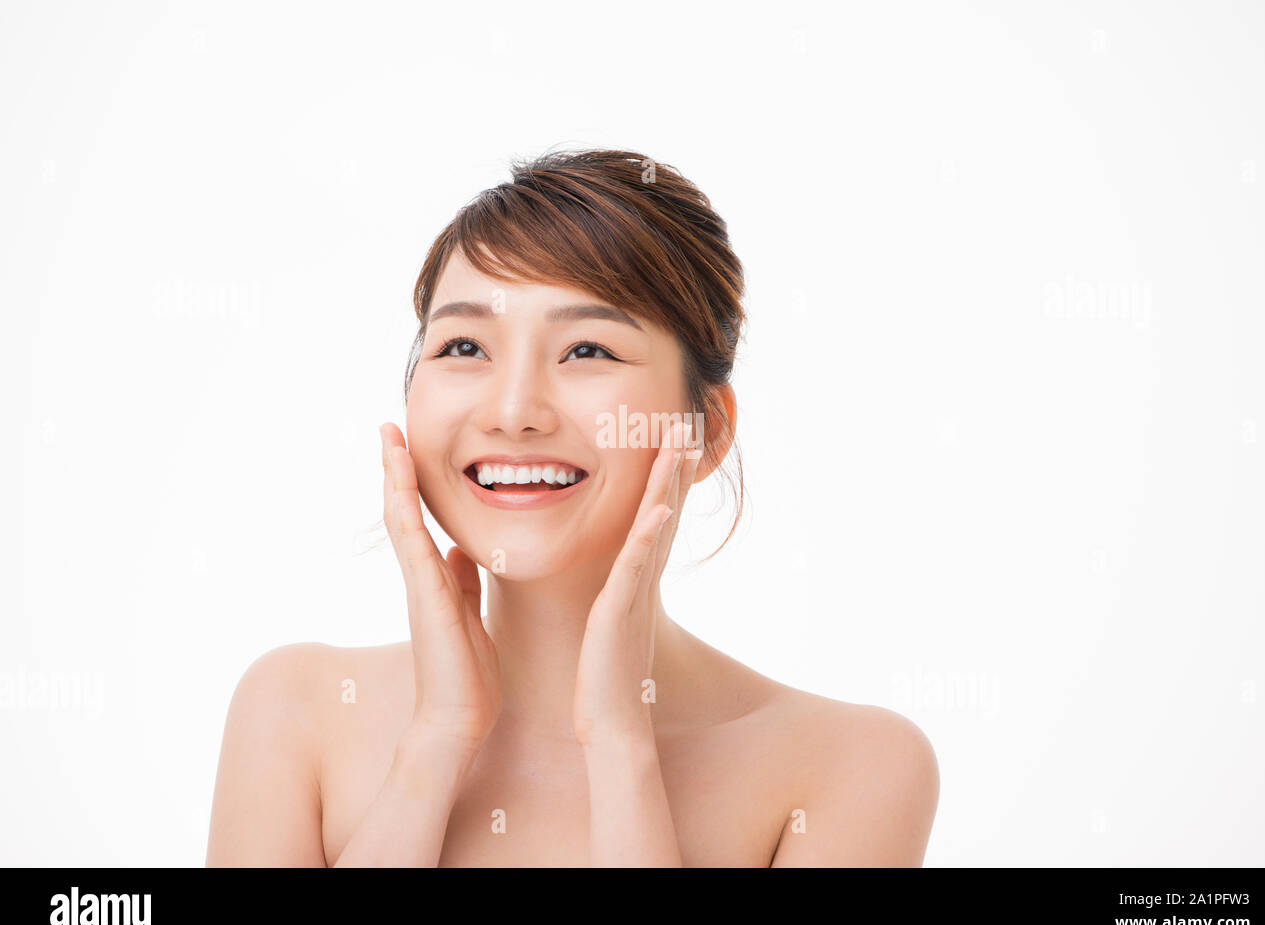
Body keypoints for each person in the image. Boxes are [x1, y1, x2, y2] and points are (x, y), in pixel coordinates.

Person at [205, 148, 939, 866]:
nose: (514, 409)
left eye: (587, 351)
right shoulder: (294, 713)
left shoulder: (850, 767)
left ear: (705, 429)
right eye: (464, 346)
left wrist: (620, 745)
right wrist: (437, 740)